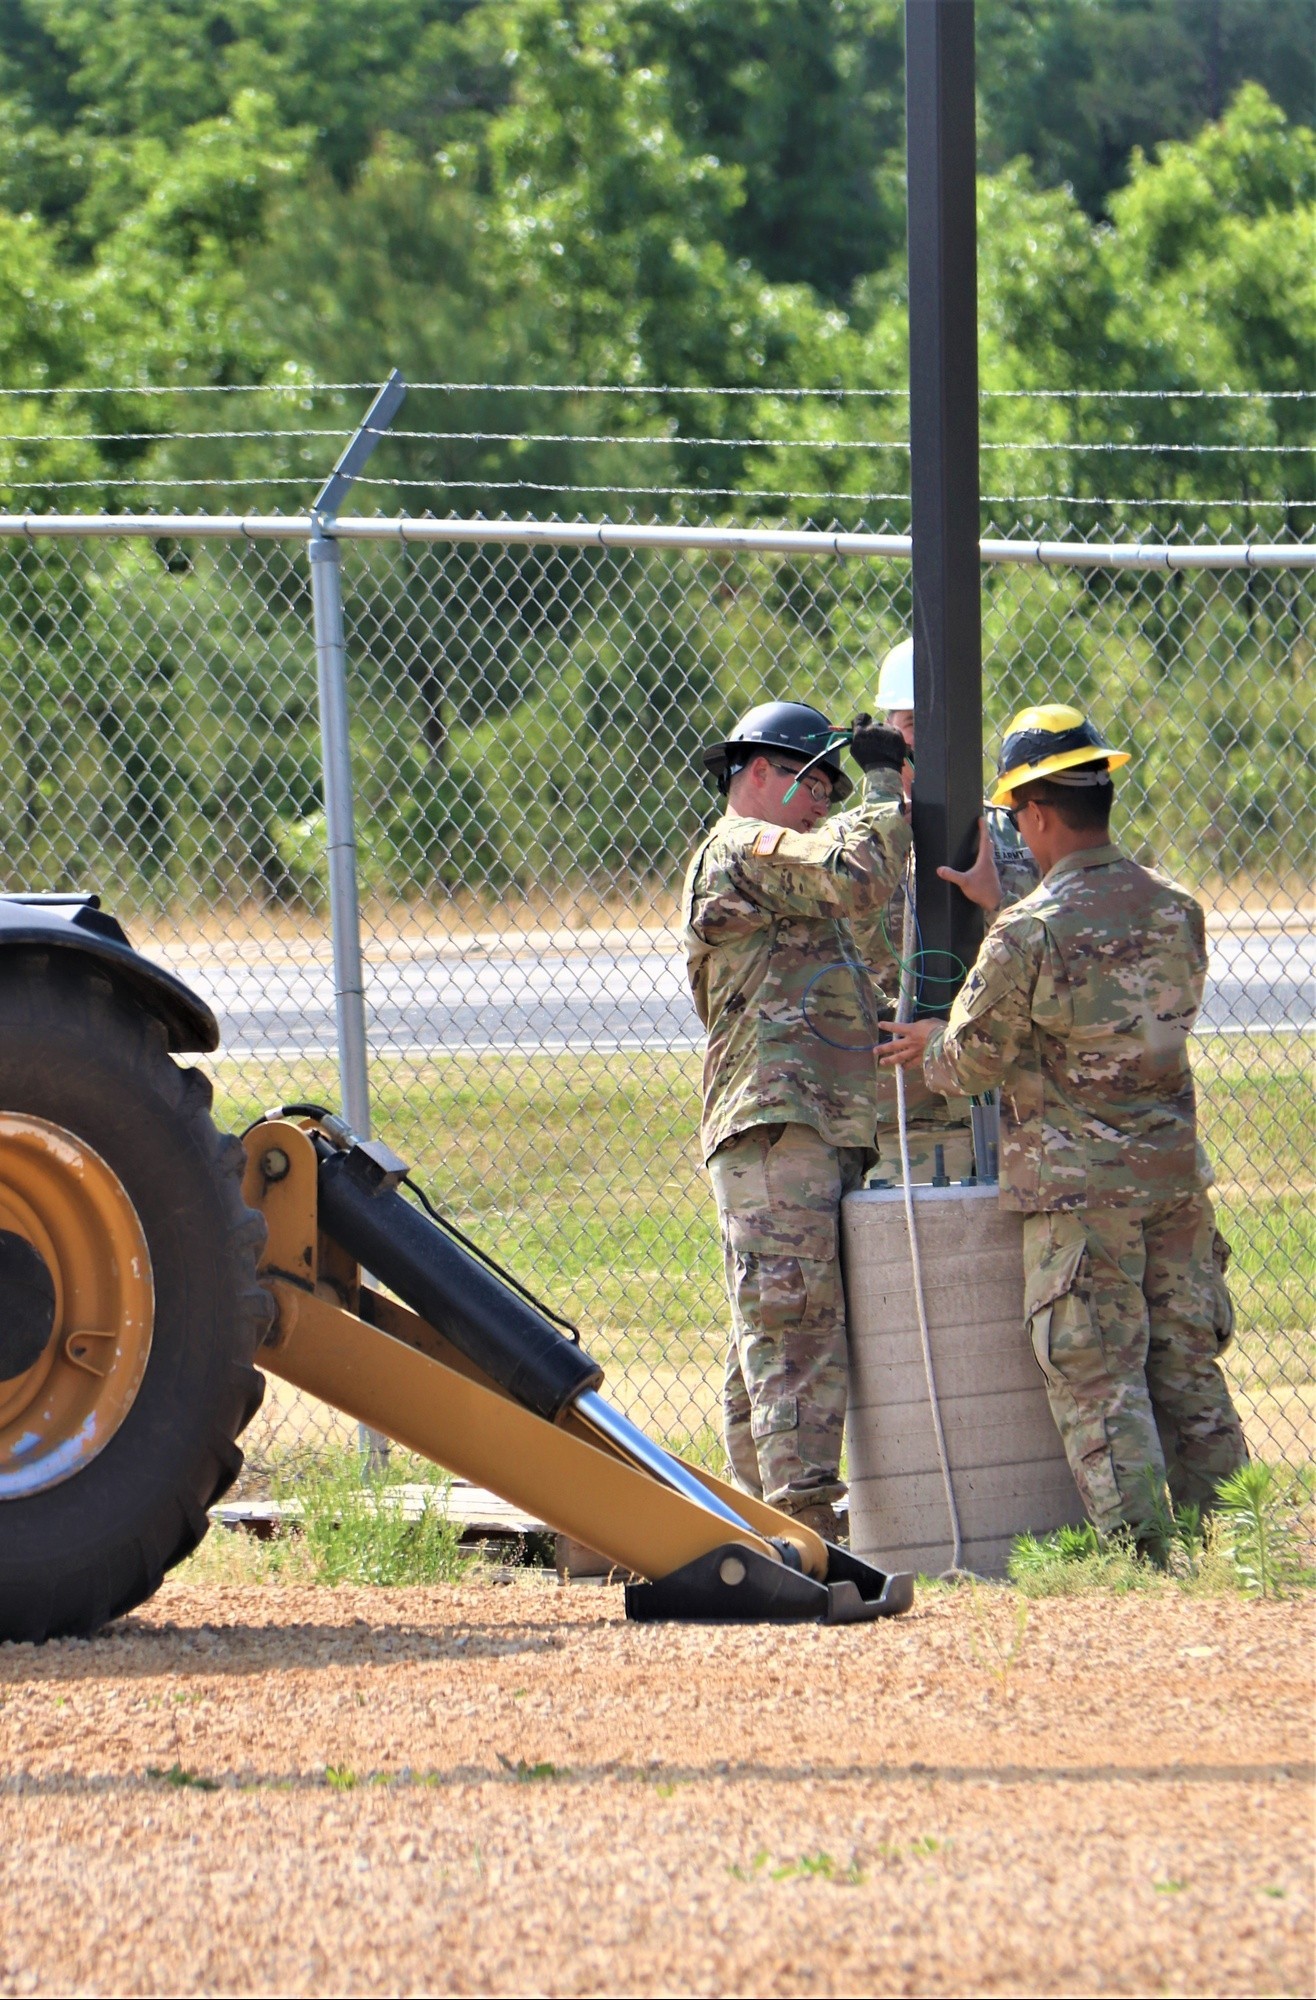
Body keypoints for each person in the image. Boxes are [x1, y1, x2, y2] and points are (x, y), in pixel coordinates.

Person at [880, 703, 1248, 1547]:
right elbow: (1110, 986)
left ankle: (1143, 1560)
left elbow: (969, 1064)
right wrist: (1005, 902)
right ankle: (1240, 1548)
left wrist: (935, 1039)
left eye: (1017, 816)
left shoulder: (1029, 934)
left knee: (1098, 1376)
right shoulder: (1176, 909)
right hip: (1175, 1185)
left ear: (1039, 813)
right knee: (1189, 1367)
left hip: (1082, 1201)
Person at [684, 699, 911, 1540]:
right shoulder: (741, 848)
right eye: (812, 782)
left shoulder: (780, 880)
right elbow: (855, 876)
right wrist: (883, 783)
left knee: (778, 1327)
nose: (824, 800)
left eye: (832, 788)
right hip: (776, 1127)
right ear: (757, 773)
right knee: (793, 1332)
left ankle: (757, 1526)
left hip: (809, 1127)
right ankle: (805, 1532)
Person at [853, 635, 1038, 1181]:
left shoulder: (1008, 831)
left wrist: (995, 901)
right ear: (890, 734)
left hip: (1006, 1104)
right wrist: (885, 818)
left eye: (941, 726)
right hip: (901, 1116)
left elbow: (1048, 946)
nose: (928, 741)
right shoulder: (855, 842)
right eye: (912, 726)